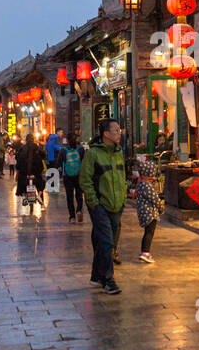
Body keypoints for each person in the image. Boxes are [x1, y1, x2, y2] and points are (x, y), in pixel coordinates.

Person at [79, 118, 127, 294]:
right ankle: (108, 279)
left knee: (106, 242)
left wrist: (122, 199)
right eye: (116, 130)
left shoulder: (118, 152)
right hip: (100, 205)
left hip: (116, 205)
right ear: (106, 134)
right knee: (107, 241)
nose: (119, 133)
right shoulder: (93, 154)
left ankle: (96, 276)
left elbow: (122, 177)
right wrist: (94, 202)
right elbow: (85, 180)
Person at [132, 155, 162, 264]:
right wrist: (161, 208)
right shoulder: (147, 186)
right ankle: (145, 252)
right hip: (150, 214)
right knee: (149, 233)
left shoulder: (140, 184)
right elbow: (155, 199)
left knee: (147, 232)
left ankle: (144, 252)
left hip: (143, 213)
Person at [16, 133, 47, 207]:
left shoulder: (22, 148)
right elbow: (44, 155)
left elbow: (17, 157)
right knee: (41, 183)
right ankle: (40, 197)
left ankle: (24, 197)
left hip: (24, 172)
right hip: (36, 171)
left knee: (21, 183)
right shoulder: (37, 147)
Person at [61, 132, 85, 223]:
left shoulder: (63, 150)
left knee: (69, 196)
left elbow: (59, 162)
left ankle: (72, 217)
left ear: (67, 140)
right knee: (79, 194)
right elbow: (84, 161)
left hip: (68, 175)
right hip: (79, 175)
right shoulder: (81, 149)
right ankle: (79, 210)